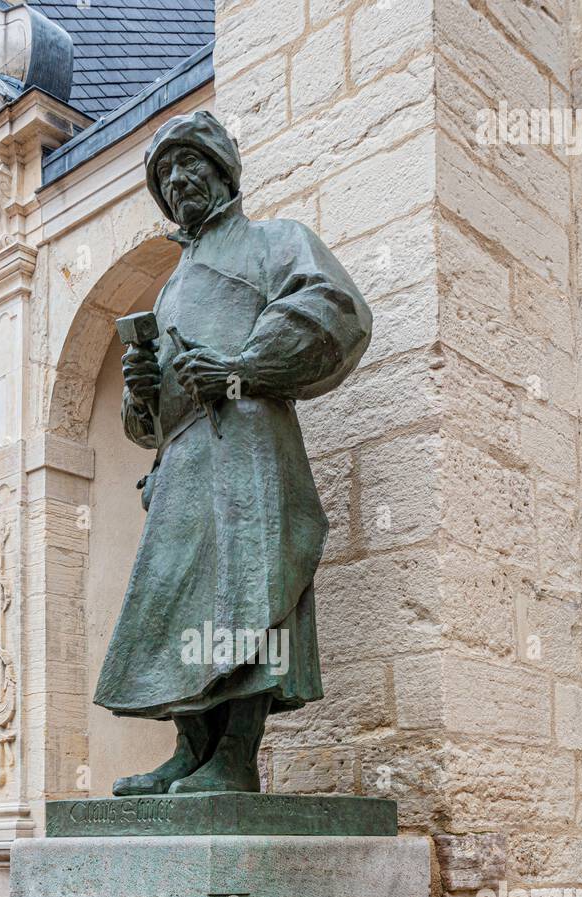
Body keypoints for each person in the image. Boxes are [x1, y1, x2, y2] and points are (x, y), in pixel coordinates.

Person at [94, 111, 373, 795]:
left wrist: (241, 366)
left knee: (249, 595)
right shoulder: (167, 290)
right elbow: (151, 424)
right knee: (178, 601)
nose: (178, 179)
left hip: (248, 444)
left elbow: (333, 310)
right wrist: (142, 391)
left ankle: (235, 758)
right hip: (185, 461)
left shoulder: (275, 242)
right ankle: (190, 751)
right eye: (165, 174)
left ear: (222, 171)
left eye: (190, 164)